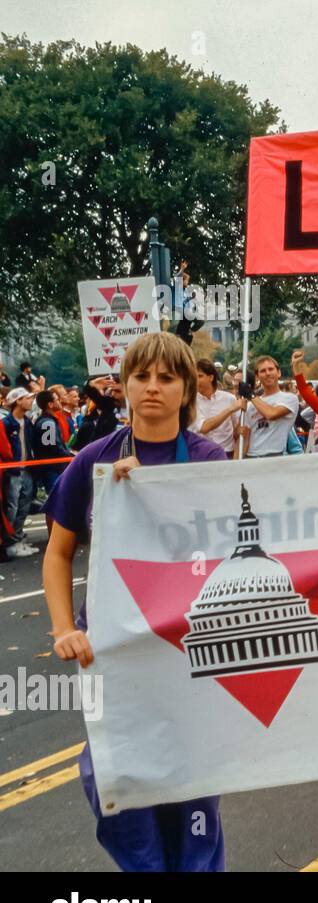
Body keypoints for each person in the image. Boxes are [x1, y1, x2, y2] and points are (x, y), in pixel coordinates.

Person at [43, 332, 228, 871]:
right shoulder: (92, 463)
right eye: (141, 376)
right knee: (113, 779)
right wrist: (62, 630)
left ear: (186, 388)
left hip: (188, 649)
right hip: (114, 652)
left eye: (167, 378)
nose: (152, 388)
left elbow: (225, 554)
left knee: (192, 785)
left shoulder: (210, 460)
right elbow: (57, 555)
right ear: (122, 386)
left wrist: (159, 498)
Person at [236, 355, 299, 458]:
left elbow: (271, 414)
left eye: (271, 369)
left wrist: (251, 395)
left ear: (278, 373)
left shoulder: (290, 399)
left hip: (274, 456)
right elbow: (243, 436)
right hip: (251, 458)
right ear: (257, 376)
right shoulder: (251, 405)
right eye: (263, 371)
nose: (268, 373)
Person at [2, 388, 38, 559]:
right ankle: (8, 543)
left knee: (25, 504)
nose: (31, 401)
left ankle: (17, 539)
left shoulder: (28, 421)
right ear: (18, 401)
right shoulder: (6, 424)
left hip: (28, 468)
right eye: (28, 398)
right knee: (12, 507)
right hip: (12, 471)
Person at [192, 359, 241, 458]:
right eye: (194, 377)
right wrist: (229, 410)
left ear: (211, 377)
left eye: (200, 376)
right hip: (202, 454)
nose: (195, 380)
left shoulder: (229, 398)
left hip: (227, 452)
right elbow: (203, 428)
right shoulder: (192, 401)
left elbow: (237, 428)